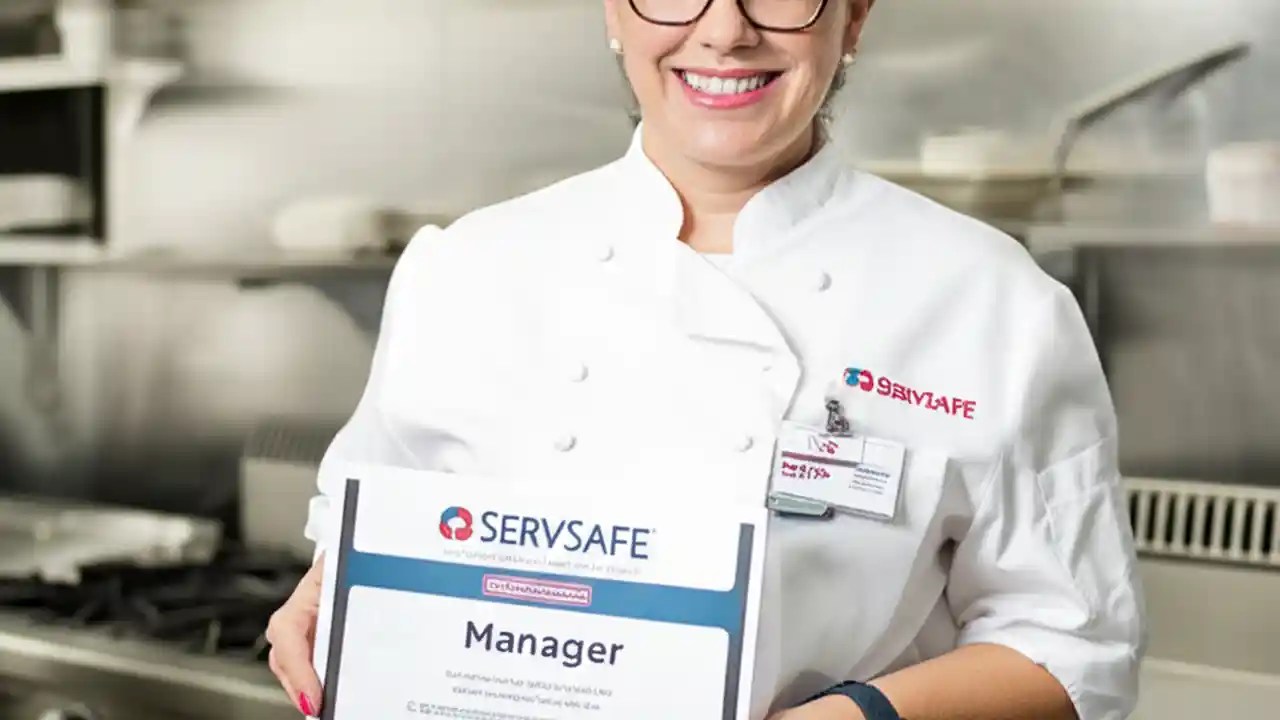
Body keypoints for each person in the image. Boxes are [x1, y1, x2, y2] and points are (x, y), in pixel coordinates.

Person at [266, 1, 1145, 718]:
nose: (725, 28)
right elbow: (374, 532)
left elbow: (1071, 645)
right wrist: (329, 604)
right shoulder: (466, 267)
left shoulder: (988, 299)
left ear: (856, 17)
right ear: (614, 11)